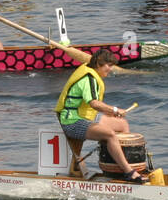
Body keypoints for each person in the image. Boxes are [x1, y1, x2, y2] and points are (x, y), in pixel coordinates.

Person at [55, 50, 142, 181]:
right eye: (109, 65)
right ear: (98, 64)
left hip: (83, 117)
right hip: (72, 122)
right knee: (109, 134)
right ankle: (129, 172)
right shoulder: (88, 78)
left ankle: (115, 168)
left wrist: (112, 112)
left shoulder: (92, 74)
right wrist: (114, 110)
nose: (111, 69)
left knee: (122, 124)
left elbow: (91, 106)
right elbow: (94, 104)